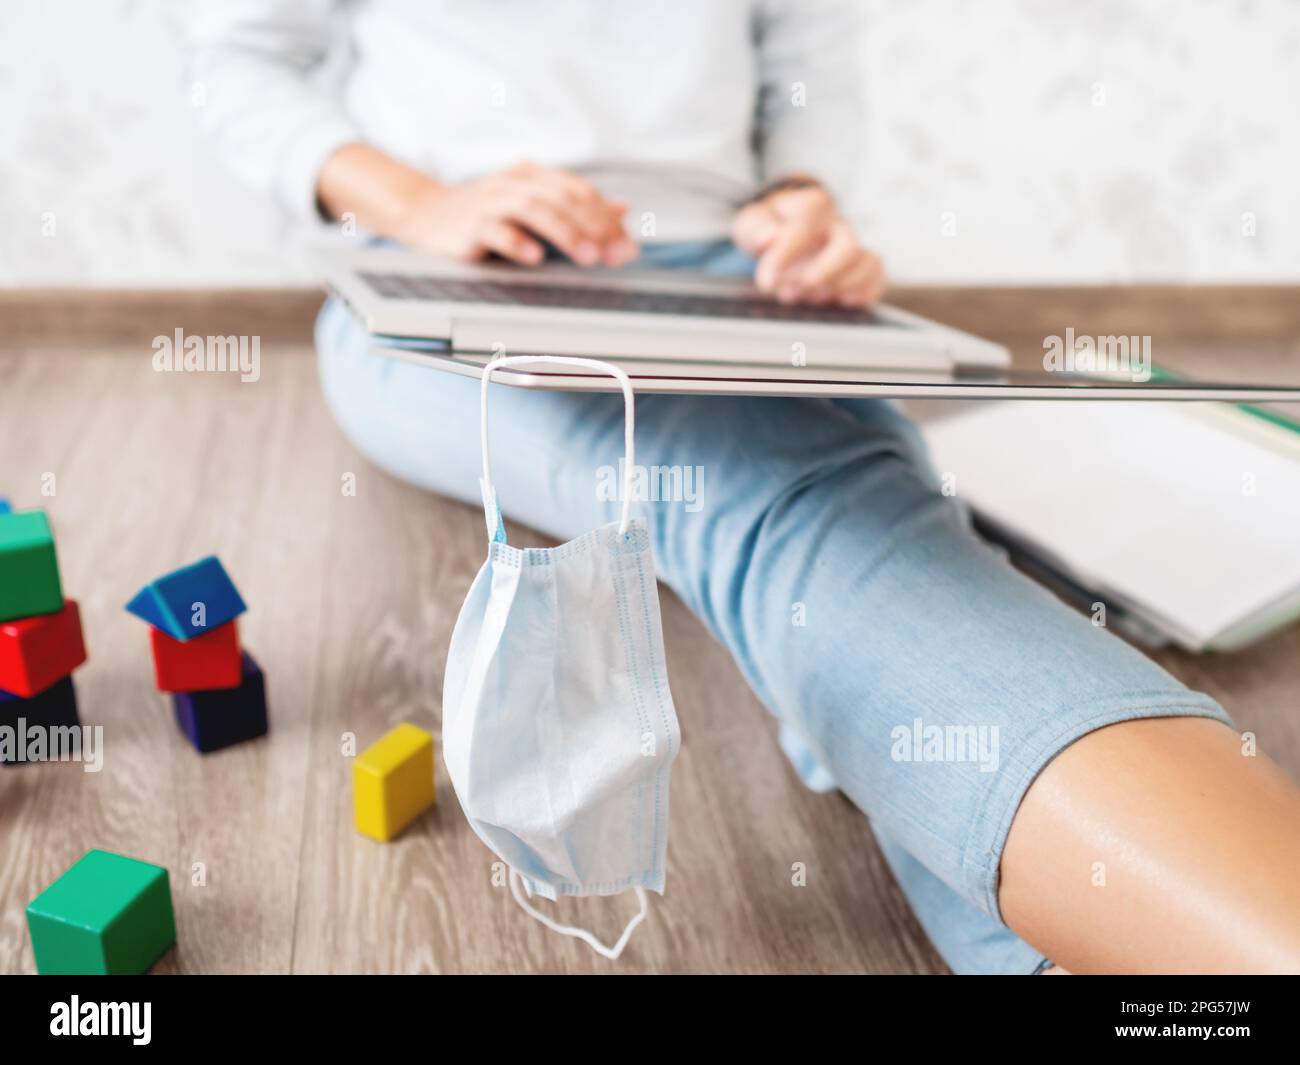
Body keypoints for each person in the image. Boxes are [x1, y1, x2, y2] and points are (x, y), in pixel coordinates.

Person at [191, 1, 1300, 974]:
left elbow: (802, 49)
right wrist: (425, 203)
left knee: (865, 497)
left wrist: (799, 202)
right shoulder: (429, 229)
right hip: (438, 283)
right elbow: (238, 61)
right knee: (785, 501)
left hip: (730, 275)